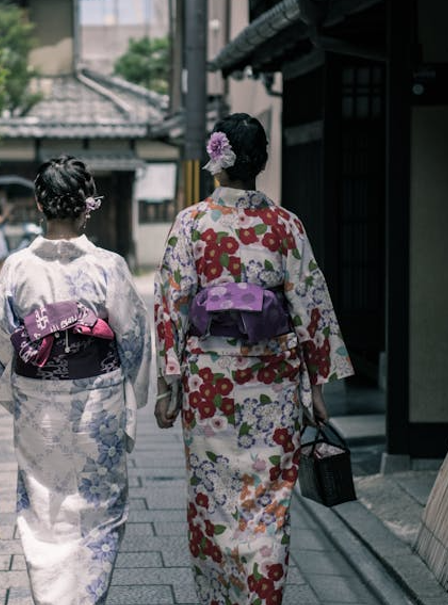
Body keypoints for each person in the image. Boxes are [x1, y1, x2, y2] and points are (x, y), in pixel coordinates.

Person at [153, 113, 353, 604]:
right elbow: (310, 303)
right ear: (261, 163)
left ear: (217, 161)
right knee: (268, 505)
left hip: (210, 387)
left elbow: (171, 305)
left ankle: (221, 598)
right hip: (274, 386)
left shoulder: (192, 224)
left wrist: (170, 383)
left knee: (213, 500)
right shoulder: (285, 225)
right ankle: (262, 596)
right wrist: (316, 388)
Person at [0, 156, 155, 604]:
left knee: (44, 511)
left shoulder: (17, 268)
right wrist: (131, 393)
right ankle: (87, 596)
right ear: (86, 205)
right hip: (98, 400)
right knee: (99, 510)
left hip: (38, 400)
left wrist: (18, 388)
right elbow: (133, 337)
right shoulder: (108, 266)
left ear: (41, 204)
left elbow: (0, 337)